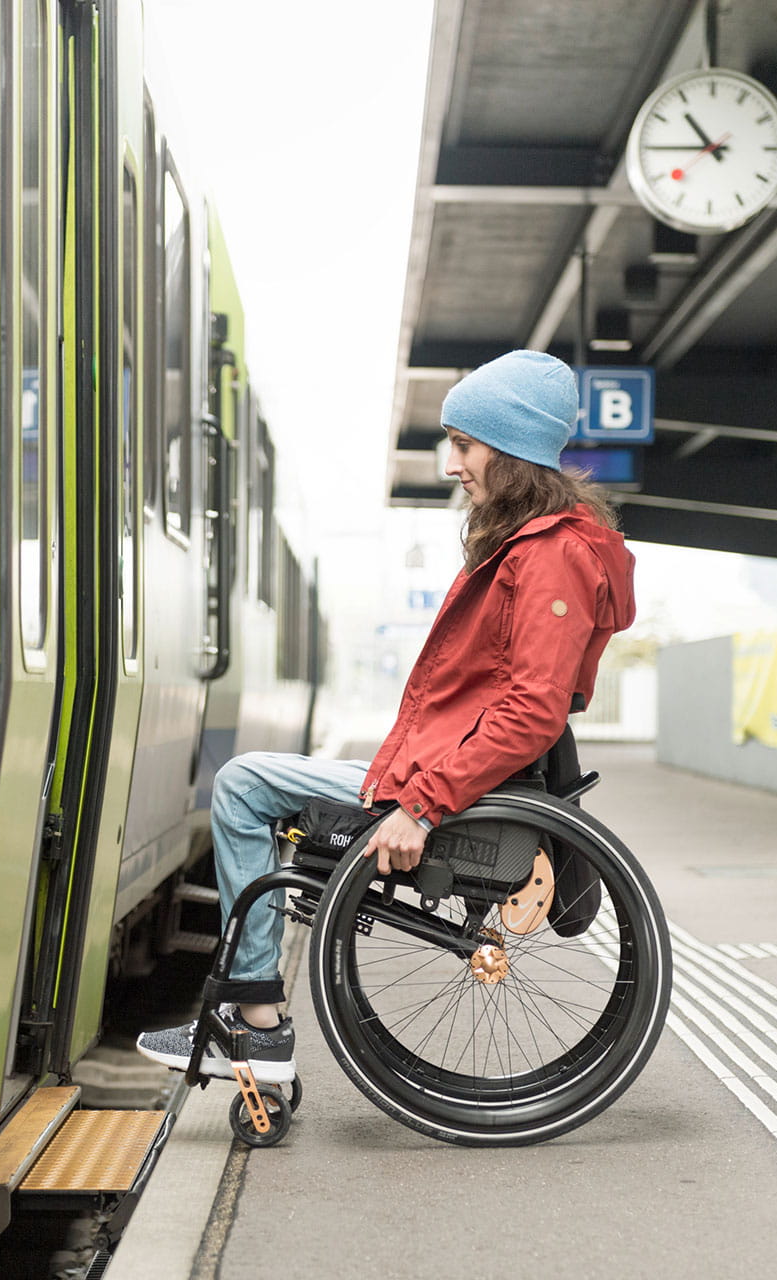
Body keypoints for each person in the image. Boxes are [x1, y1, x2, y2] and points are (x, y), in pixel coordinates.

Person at [136, 349, 637, 1083]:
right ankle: (254, 1018)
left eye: (464, 444)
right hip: (434, 774)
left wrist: (424, 808)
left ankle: (257, 1023)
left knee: (244, 786)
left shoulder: (551, 556)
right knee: (248, 782)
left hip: (448, 789)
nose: (450, 464)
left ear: (512, 451)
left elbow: (531, 711)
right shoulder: (535, 548)